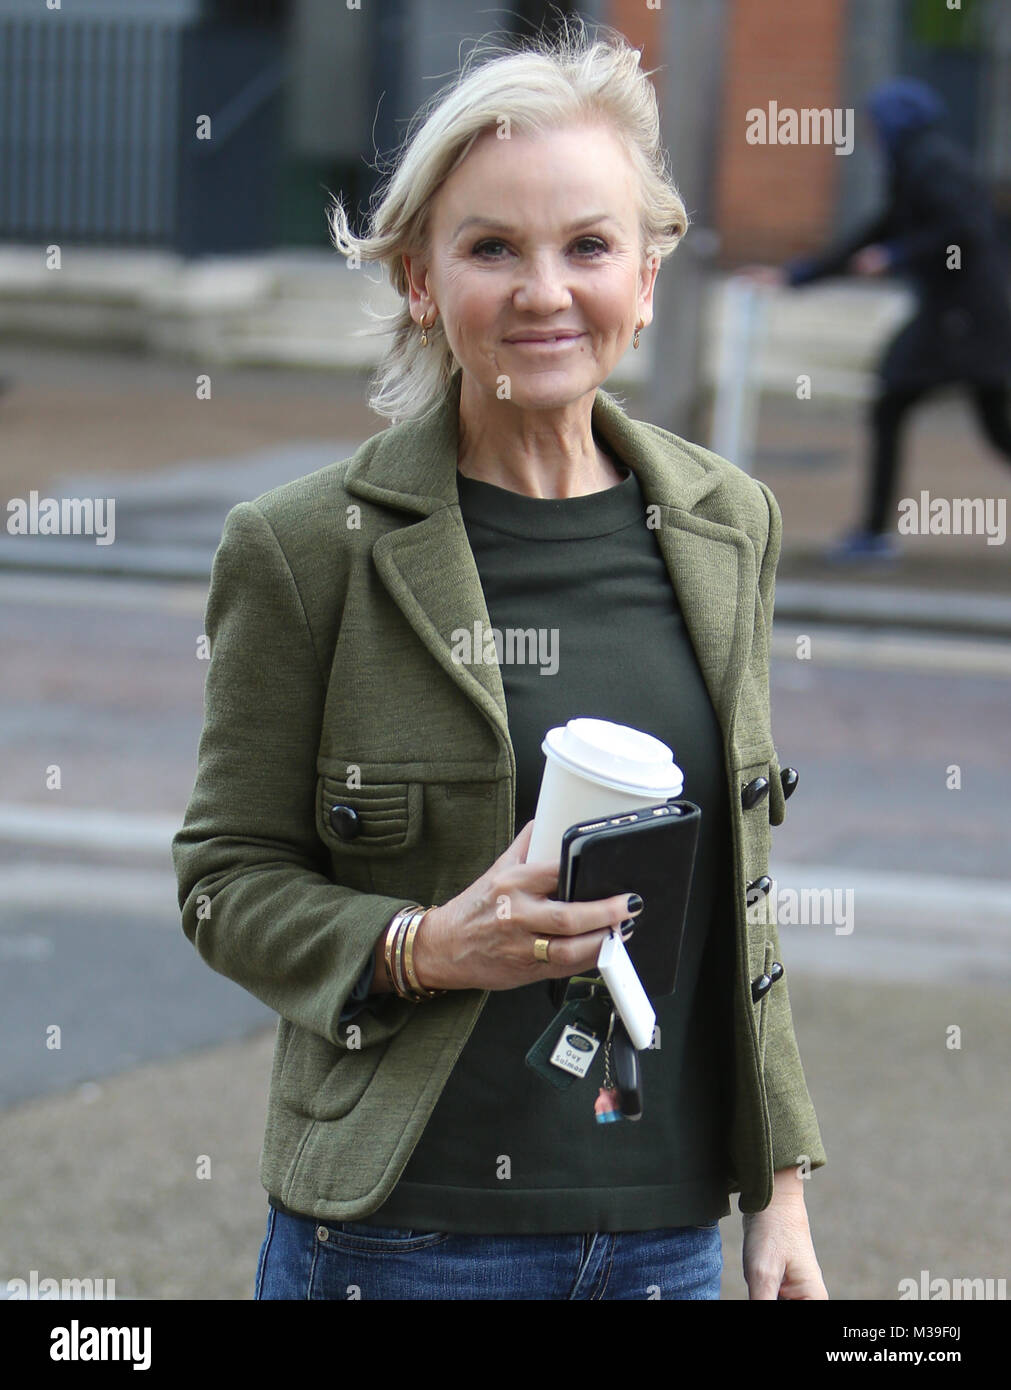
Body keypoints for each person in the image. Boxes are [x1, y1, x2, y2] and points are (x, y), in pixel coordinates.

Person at [172, 19, 827, 1301]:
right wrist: (419, 943)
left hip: (667, 1237)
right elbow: (222, 878)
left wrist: (783, 1187)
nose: (544, 292)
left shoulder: (726, 522)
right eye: (491, 249)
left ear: (646, 277)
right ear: (422, 280)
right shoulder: (308, 549)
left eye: (587, 245)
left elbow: (744, 887)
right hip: (402, 1237)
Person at [743, 77, 1011, 561]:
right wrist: (796, 275)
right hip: (967, 316)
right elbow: (875, 233)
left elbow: (963, 230)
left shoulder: (934, 165)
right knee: (992, 426)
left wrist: (896, 255)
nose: (867, 133)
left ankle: (874, 535)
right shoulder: (918, 164)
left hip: (965, 319)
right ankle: (874, 533)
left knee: (895, 404)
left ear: (894, 123)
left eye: (873, 123)